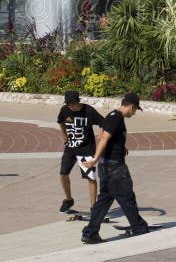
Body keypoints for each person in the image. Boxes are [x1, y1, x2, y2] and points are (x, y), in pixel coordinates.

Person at [80, 93, 148, 244]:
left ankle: (90, 233)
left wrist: (120, 147)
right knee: (127, 197)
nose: (134, 113)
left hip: (107, 165)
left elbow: (101, 135)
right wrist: (95, 158)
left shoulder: (111, 116)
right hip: (114, 166)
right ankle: (139, 228)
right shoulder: (116, 117)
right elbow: (103, 138)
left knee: (104, 200)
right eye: (135, 110)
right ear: (131, 106)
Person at [56, 90, 104, 213]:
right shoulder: (65, 110)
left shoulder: (89, 111)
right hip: (70, 148)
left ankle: (94, 207)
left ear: (78, 101)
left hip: (86, 149)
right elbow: (60, 121)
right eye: (68, 104)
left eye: (73, 104)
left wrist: (101, 132)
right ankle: (68, 200)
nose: (71, 107)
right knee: (63, 174)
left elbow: (103, 123)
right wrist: (64, 135)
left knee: (90, 177)